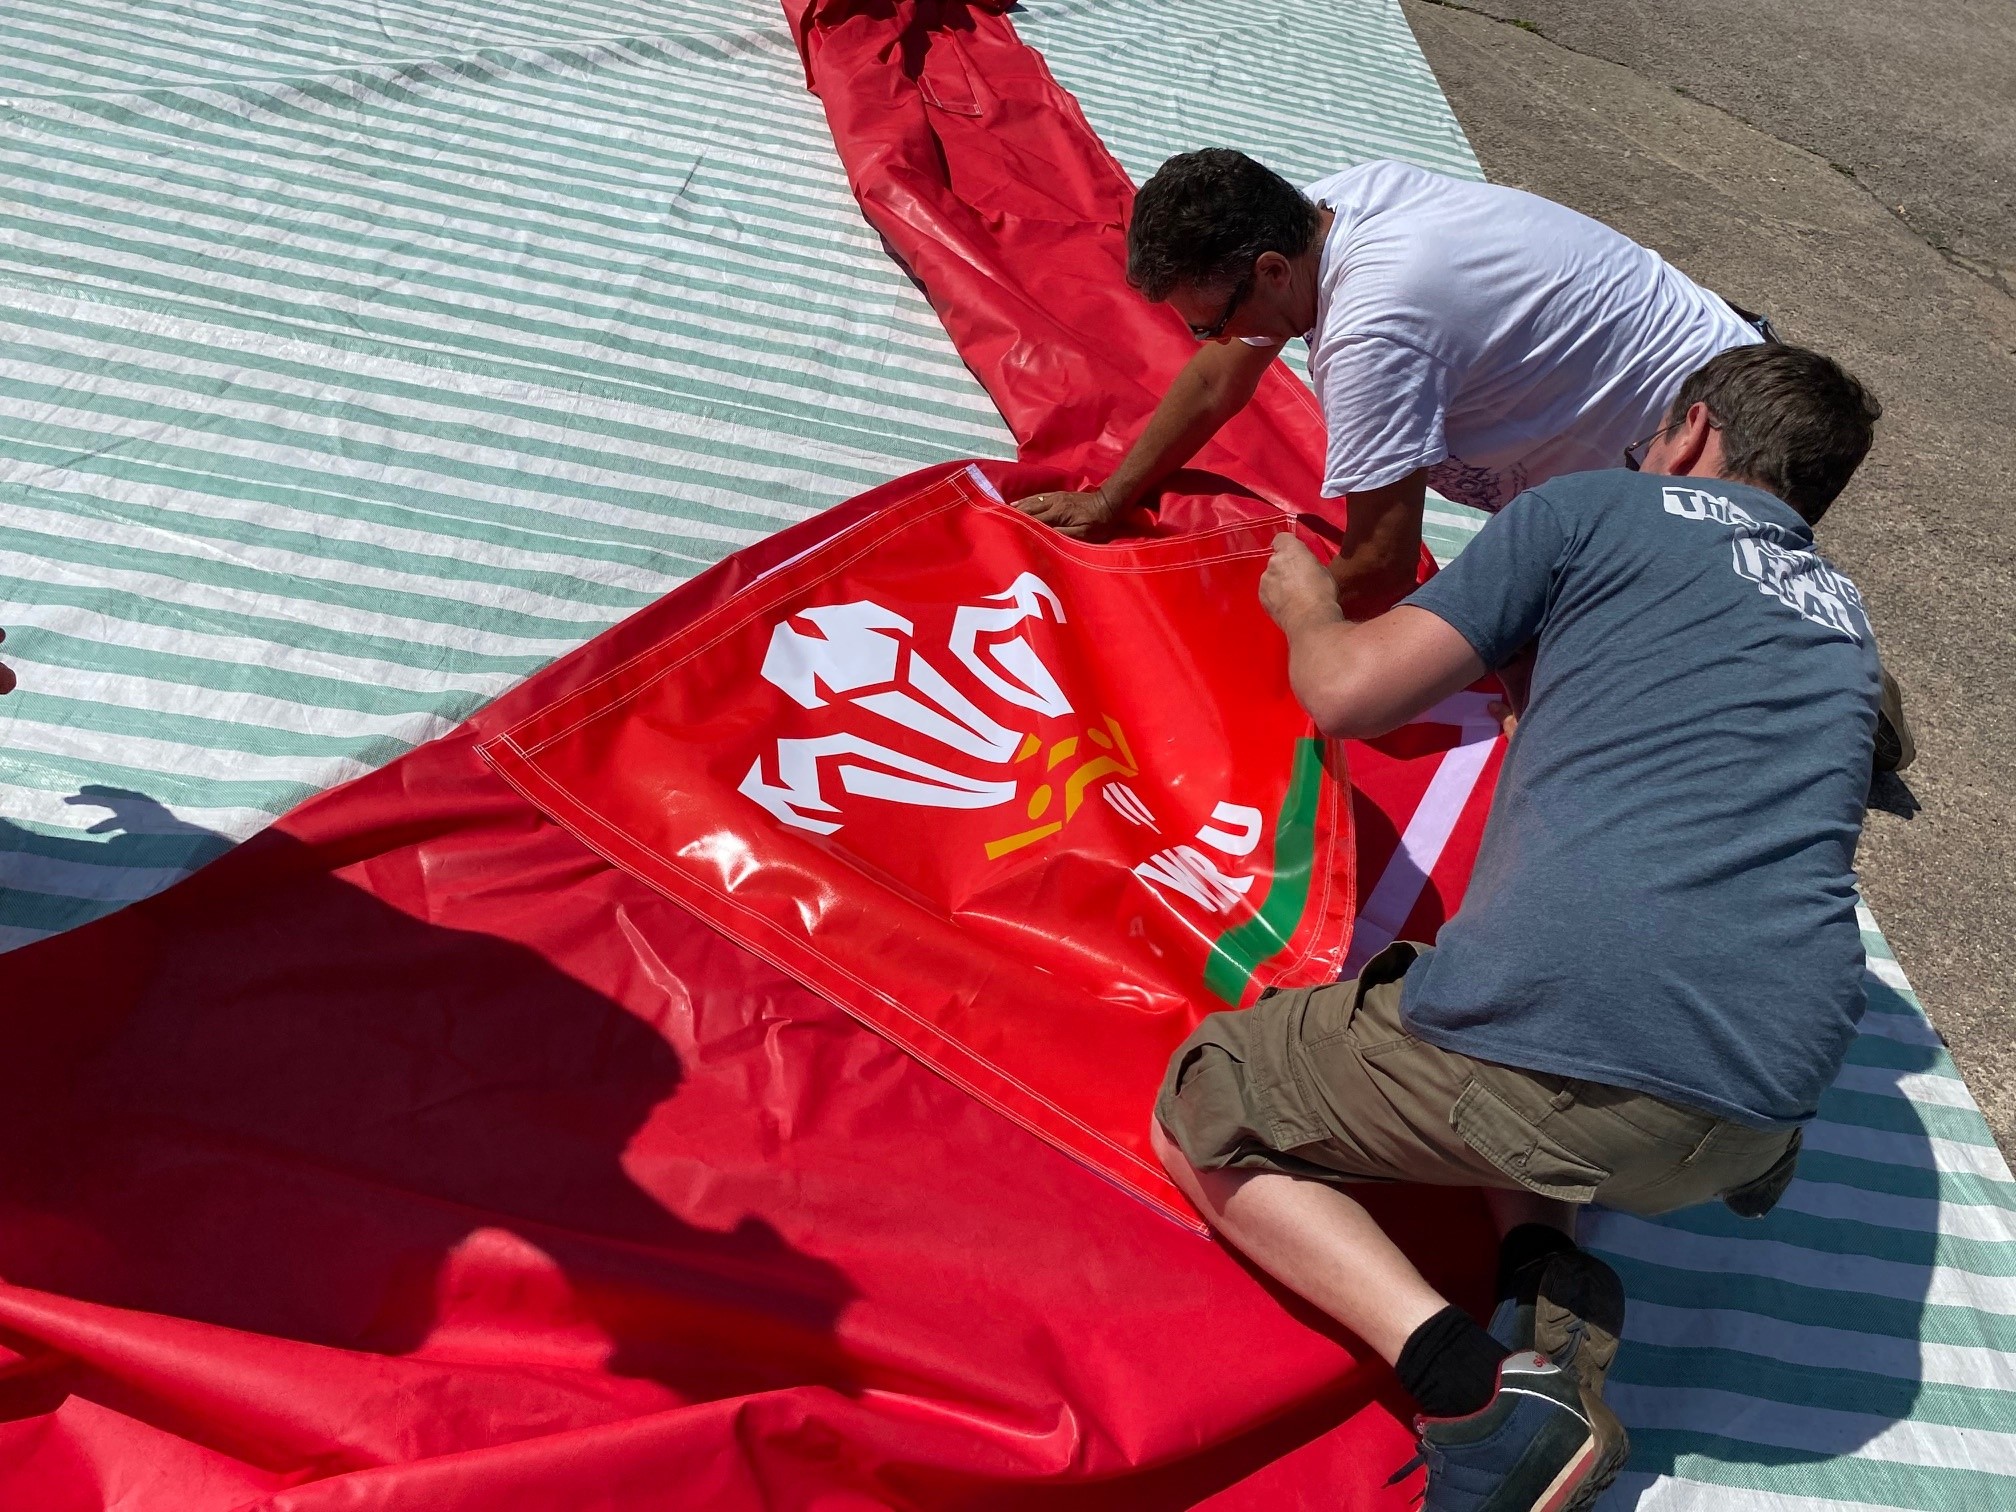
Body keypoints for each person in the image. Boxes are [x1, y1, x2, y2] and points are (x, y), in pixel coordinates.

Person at [1151, 343, 1884, 1510]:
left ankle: (1478, 1395)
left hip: (1601, 1060)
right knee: (1501, 1017)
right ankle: (1546, 1283)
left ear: (1690, 432)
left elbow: (1350, 693)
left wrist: (1304, 607)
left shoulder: (1600, 507)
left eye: (1653, 437)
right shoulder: (1845, 625)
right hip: (1767, 1105)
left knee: (1204, 1102)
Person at [1017, 150, 1764, 611]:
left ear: (1270, 271)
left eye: (1208, 321)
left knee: (1620, 665)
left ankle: (1818, 670)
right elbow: (1219, 379)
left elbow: (1379, 566)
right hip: (1708, 361)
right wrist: (1113, 497)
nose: (1209, 341)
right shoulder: (1331, 209)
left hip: (1721, 442)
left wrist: (1238, 621)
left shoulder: (1372, 330)